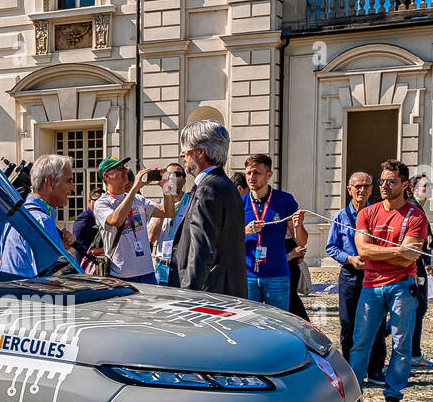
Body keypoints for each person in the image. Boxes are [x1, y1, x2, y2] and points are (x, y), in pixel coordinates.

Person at [350, 159, 429, 402]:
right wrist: (397, 250)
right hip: (370, 286)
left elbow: (410, 258)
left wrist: (380, 252)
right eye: (382, 180)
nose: (383, 185)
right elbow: (363, 249)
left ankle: (393, 396)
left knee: (401, 344)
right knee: (360, 342)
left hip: (401, 286)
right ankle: (353, 395)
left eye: (390, 181)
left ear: (404, 184)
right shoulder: (367, 213)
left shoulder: (415, 215)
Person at [169, 120, 246, 294]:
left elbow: (202, 250)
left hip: (209, 295)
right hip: (226, 290)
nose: (182, 155)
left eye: (187, 151)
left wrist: (189, 296)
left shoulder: (208, 189)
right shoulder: (225, 185)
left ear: (200, 153)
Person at [326, 172, 386, 379]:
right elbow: (331, 247)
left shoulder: (378, 215)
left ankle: (376, 369)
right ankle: (350, 369)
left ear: (371, 189)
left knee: (376, 322)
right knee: (349, 324)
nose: (362, 190)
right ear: (349, 189)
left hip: (374, 275)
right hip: (350, 275)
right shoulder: (340, 217)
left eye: (366, 186)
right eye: (357, 186)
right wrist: (349, 259)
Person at [91, 157, 174, 284]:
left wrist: (167, 186)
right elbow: (116, 220)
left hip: (147, 272)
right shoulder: (102, 203)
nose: (126, 170)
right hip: (121, 275)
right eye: (119, 168)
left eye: (125, 167)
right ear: (106, 176)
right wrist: (134, 187)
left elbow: (168, 212)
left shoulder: (138, 199)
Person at [241, 153, 307, 310]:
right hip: (248, 275)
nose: (251, 177)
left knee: (278, 324)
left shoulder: (284, 200)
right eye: (248, 173)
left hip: (277, 274)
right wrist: (246, 231)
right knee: (248, 324)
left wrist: (298, 225)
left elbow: (301, 242)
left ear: (269, 175)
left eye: (256, 173)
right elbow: (227, 237)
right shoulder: (240, 202)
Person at [0, 154, 74, 277]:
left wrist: (60, 246)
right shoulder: (41, 221)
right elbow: (52, 282)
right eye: (69, 181)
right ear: (49, 182)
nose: (73, 188)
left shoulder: (20, 215)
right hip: (29, 295)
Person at [408, 175, 433, 368]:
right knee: (417, 308)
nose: (428, 188)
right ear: (413, 189)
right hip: (413, 267)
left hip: (420, 265)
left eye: (430, 185)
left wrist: (428, 265)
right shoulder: (413, 210)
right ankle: (413, 355)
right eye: (424, 186)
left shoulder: (419, 209)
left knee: (417, 309)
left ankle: (413, 353)